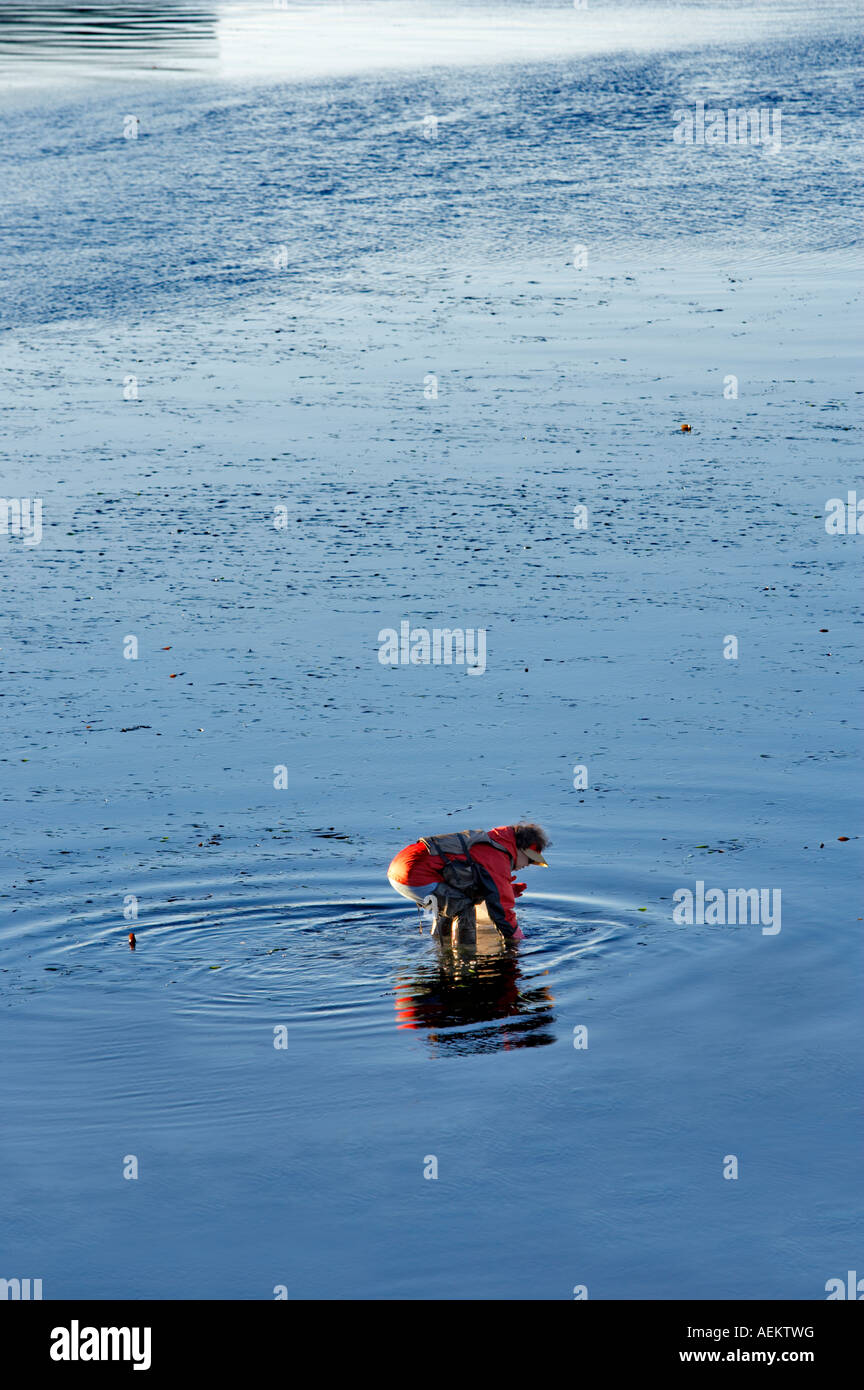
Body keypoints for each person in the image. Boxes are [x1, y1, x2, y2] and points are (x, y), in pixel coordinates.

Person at [387, 823, 549, 947]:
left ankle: (440, 945)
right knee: (463, 908)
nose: (528, 865)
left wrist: (506, 890)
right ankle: (465, 958)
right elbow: (502, 910)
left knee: (451, 903)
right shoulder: (498, 857)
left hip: (400, 867)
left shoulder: (491, 842)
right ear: (520, 849)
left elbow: (467, 882)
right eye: (529, 859)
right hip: (413, 873)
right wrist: (517, 939)